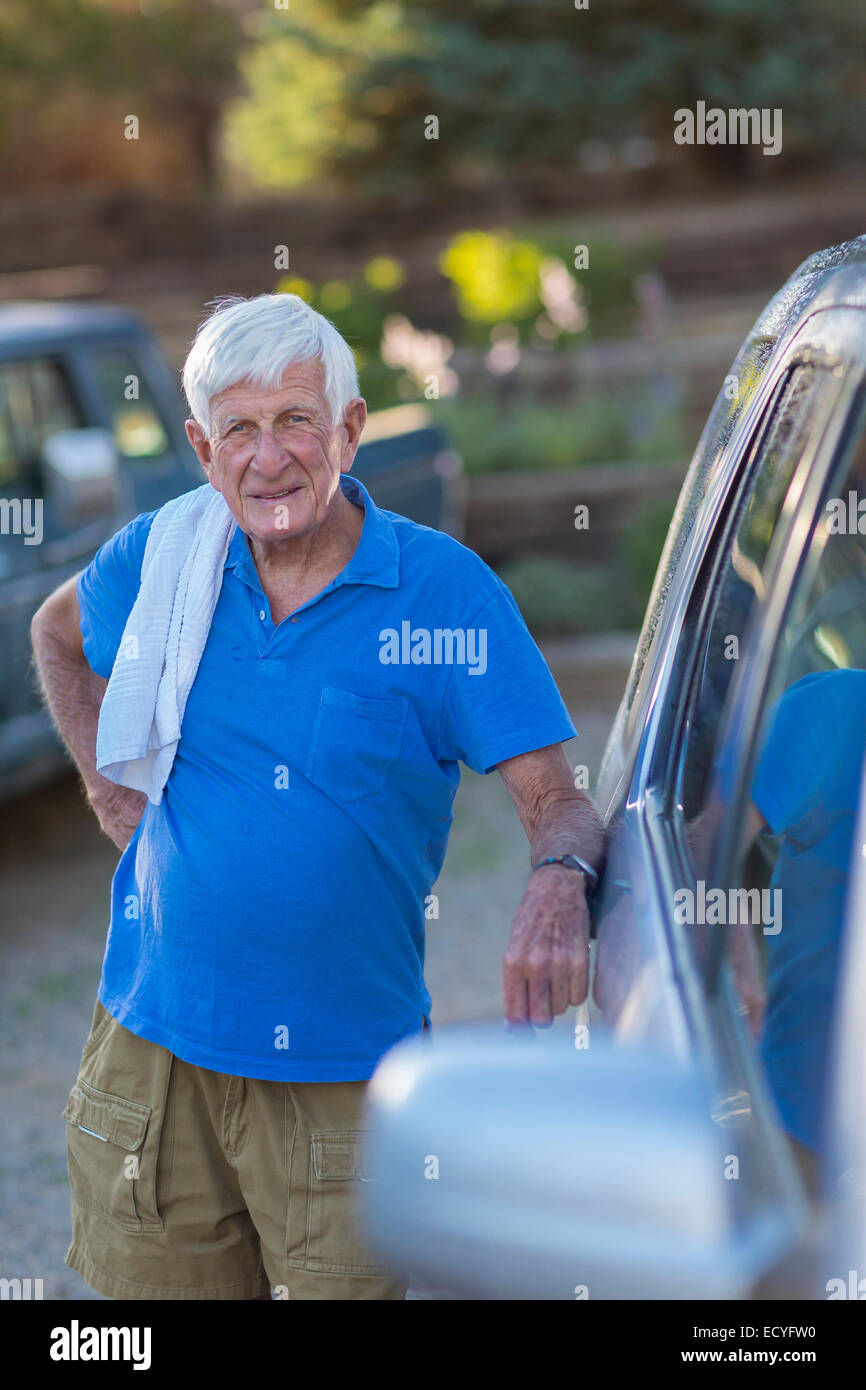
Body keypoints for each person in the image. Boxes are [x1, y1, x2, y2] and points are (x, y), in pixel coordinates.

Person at [31, 292, 605, 1301]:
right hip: (152, 1055)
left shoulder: (444, 595)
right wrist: (101, 781)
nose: (267, 458)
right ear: (201, 447)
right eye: (238, 430)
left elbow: (556, 797)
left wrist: (558, 882)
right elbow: (55, 633)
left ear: (347, 428)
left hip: (345, 1080)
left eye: (295, 420)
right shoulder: (164, 560)